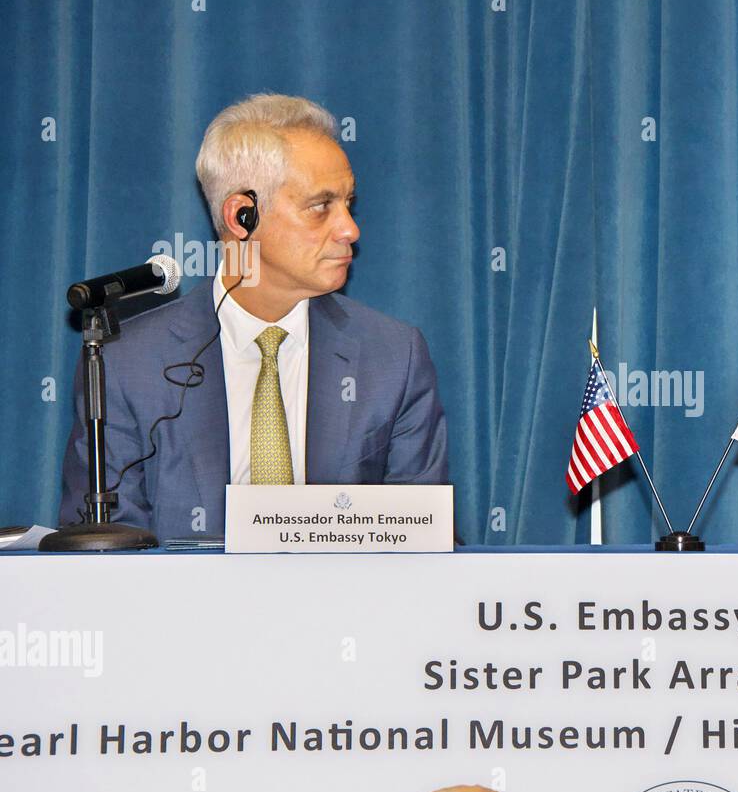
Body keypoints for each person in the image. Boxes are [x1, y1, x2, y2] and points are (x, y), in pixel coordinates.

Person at [59, 93, 448, 542]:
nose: (350, 229)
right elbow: (106, 557)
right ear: (241, 216)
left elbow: (425, 549)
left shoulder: (393, 357)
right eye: (321, 206)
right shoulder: (127, 364)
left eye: (348, 203)